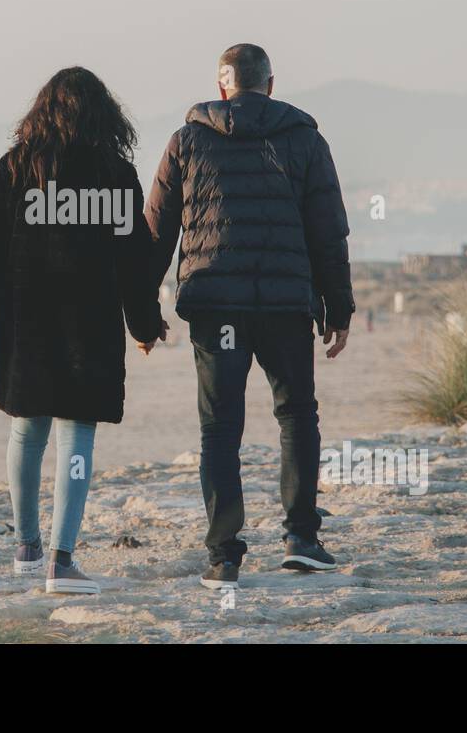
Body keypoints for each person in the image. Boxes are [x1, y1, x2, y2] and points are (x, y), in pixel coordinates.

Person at [0, 66, 164, 595]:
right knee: (76, 436)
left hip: (28, 325)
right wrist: (144, 324)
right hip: (88, 328)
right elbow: (135, 262)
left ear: (42, 111)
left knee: (26, 430)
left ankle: (27, 549)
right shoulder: (115, 174)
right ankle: (61, 563)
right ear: (104, 115)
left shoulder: (17, 168)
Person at [145, 43, 354, 590]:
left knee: (220, 430)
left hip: (217, 308)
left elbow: (157, 231)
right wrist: (340, 307)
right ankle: (302, 541)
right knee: (296, 416)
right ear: (270, 84)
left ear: (222, 88)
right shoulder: (305, 139)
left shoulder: (188, 141)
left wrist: (144, 309)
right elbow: (328, 231)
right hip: (285, 306)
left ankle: (224, 556)